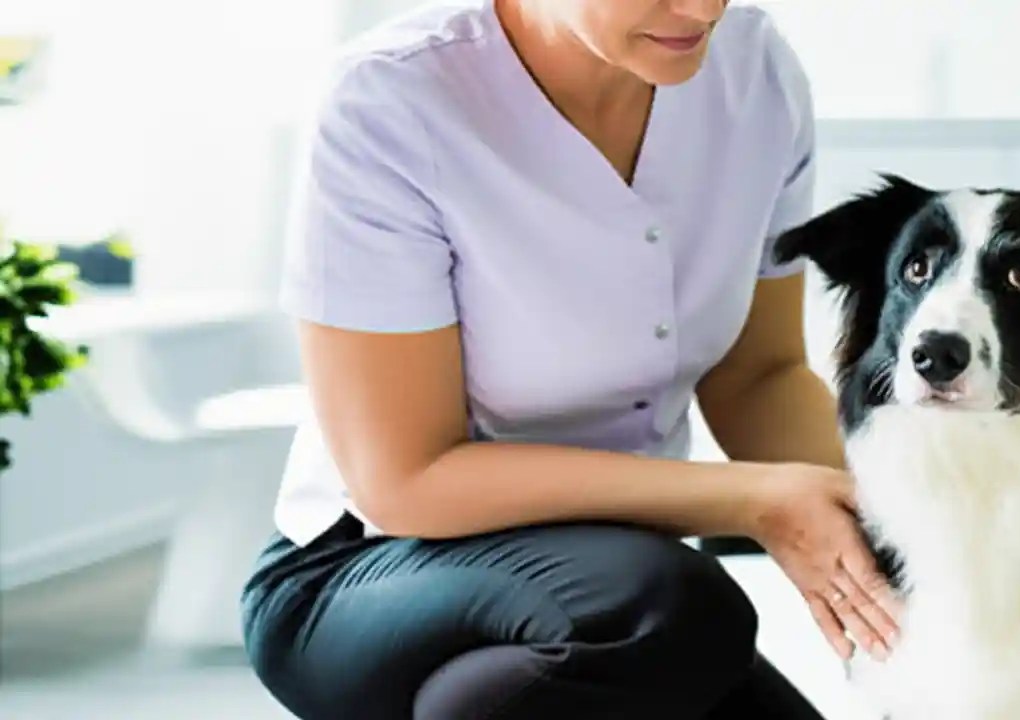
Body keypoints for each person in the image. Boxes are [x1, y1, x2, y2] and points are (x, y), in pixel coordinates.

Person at [239, 1, 901, 718]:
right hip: (375, 568)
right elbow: (404, 479)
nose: (704, 7)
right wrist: (756, 499)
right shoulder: (391, 98)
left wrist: (905, 513)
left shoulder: (755, 72)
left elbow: (759, 377)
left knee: (672, 619)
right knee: (676, 606)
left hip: (617, 597)